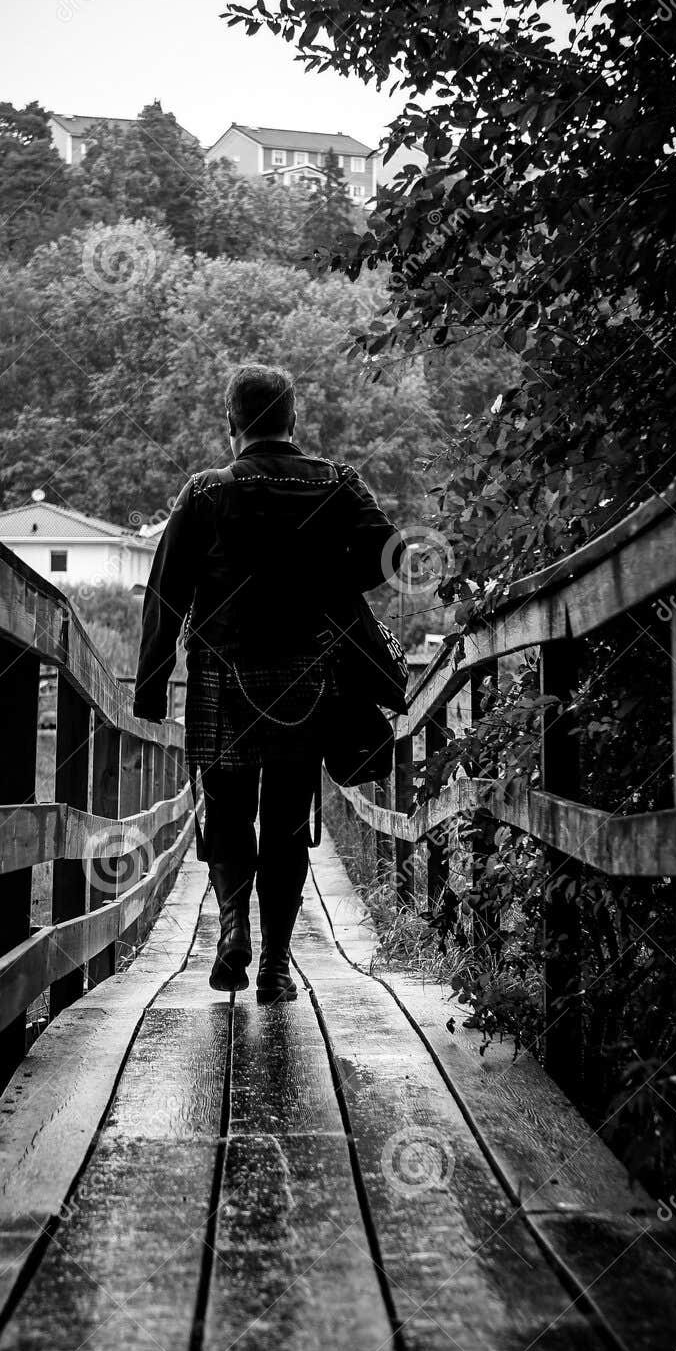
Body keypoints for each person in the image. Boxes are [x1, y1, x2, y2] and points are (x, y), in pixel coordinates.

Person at [133, 362, 400, 1001]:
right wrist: (328, 575)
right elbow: (387, 552)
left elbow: (165, 594)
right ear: (293, 422)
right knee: (286, 822)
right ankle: (277, 966)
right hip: (307, 685)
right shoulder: (335, 484)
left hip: (223, 683)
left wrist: (151, 683)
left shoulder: (204, 493)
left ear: (232, 423)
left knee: (226, 813)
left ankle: (232, 933)